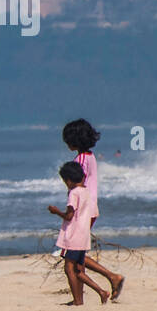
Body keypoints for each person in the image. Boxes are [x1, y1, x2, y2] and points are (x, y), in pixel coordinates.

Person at [61, 118, 124, 300]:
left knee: (72, 255)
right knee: (76, 254)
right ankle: (79, 297)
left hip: (83, 211)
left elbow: (78, 189)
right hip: (90, 209)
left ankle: (112, 277)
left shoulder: (80, 160)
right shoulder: (90, 157)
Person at [48, 161, 109, 305]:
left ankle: (81, 299)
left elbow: (69, 216)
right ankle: (98, 293)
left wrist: (56, 211)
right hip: (83, 235)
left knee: (69, 268)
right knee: (78, 270)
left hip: (74, 236)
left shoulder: (73, 193)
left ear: (68, 180)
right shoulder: (86, 192)